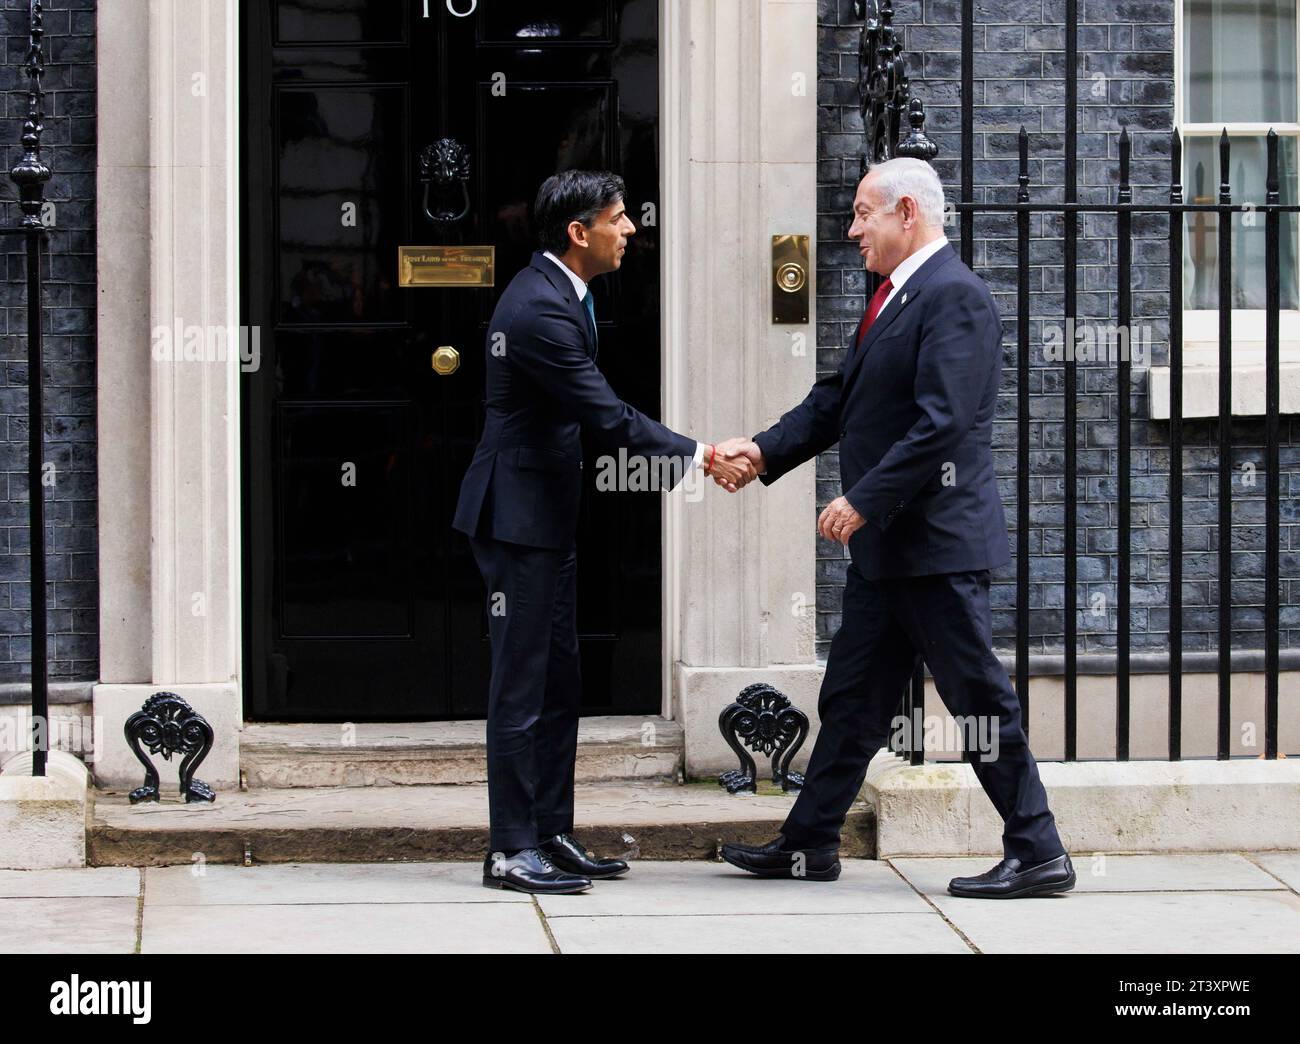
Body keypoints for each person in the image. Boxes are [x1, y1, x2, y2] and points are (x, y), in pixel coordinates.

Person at [716, 157, 1074, 899]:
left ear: (906, 211)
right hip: (892, 552)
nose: (852, 231)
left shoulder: (955, 298)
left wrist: (866, 499)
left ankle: (1038, 849)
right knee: (852, 697)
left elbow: (940, 424)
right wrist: (763, 449)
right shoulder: (894, 296)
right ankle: (808, 843)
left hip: (935, 545)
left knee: (977, 698)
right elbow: (836, 398)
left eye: (860, 214)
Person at [452, 170, 756, 895]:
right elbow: (607, 415)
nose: (631, 230)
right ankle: (508, 849)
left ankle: (550, 833)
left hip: (545, 520)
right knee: (521, 687)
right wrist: (703, 455)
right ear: (577, 233)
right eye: (619, 220)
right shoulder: (537, 312)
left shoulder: (567, 294)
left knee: (559, 683)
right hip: (515, 522)